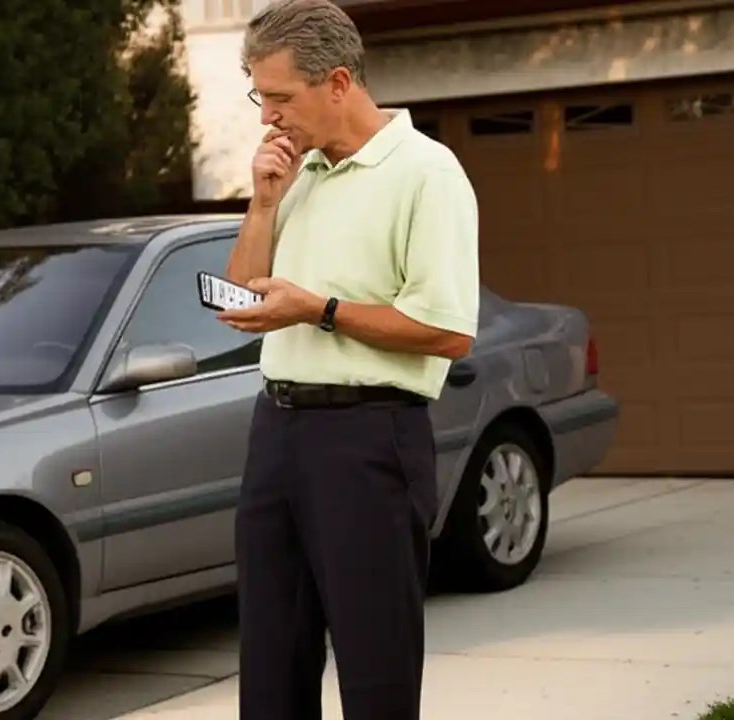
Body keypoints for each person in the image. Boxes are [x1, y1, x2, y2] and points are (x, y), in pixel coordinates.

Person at [215, 1, 480, 718]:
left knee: (376, 670)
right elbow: (241, 300)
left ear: (337, 83)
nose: (267, 117)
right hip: (276, 433)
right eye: (258, 96)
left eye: (279, 97)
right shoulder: (292, 171)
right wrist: (265, 204)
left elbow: (447, 331)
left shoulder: (428, 172)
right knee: (270, 668)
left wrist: (319, 309)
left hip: (370, 439)